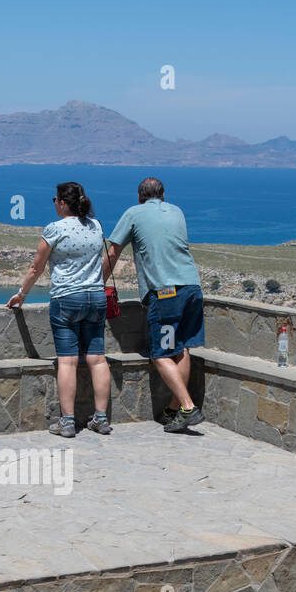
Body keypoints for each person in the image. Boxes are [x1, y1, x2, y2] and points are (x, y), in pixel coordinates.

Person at [7, 181, 113, 438]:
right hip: (96, 298)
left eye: (55, 200)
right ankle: (100, 419)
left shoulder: (54, 229)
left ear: (63, 203)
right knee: (97, 359)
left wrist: (22, 294)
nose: (54, 204)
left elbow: (36, 267)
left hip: (67, 299)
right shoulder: (96, 226)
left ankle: (67, 422)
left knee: (67, 361)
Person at [105, 177, 204, 433]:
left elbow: (113, 252)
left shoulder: (134, 213)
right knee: (180, 349)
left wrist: (96, 283)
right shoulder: (176, 211)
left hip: (165, 292)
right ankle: (174, 410)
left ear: (139, 196)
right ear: (163, 195)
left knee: (160, 354)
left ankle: (187, 406)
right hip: (191, 288)